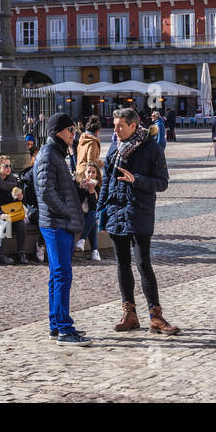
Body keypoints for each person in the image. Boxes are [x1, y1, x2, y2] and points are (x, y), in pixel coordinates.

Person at [100, 107, 178, 335]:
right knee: (122, 265)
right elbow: (107, 180)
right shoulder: (115, 146)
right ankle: (130, 314)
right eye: (114, 125)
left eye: (119, 126)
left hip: (139, 212)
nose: (115, 129)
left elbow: (162, 183)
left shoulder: (151, 148)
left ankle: (156, 316)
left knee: (143, 265)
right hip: (116, 212)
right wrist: (101, 208)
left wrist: (137, 180)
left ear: (133, 126)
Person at [34, 112, 91, 346]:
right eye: (71, 130)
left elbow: (56, 187)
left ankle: (56, 325)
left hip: (59, 222)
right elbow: (46, 191)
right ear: (59, 131)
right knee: (62, 275)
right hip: (56, 224)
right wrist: (67, 210)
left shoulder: (57, 153)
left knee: (57, 276)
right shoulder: (48, 155)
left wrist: (79, 188)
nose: (73, 134)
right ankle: (65, 330)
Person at [0, 154, 29, 265]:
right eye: (6, 166)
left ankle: (21, 253)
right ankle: (2, 254)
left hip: (10, 213)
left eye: (10, 166)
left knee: (21, 224)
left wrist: (20, 198)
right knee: (5, 223)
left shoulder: (12, 180)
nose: (9, 168)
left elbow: (15, 203)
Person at [75, 159, 102, 261]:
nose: (90, 174)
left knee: (93, 216)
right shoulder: (78, 183)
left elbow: (94, 207)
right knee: (93, 220)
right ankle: (94, 250)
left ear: (97, 174)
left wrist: (91, 192)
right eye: (88, 172)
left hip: (88, 215)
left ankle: (82, 240)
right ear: (85, 173)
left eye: (93, 172)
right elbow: (77, 203)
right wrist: (82, 189)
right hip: (78, 214)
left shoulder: (98, 187)